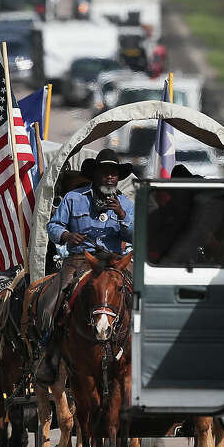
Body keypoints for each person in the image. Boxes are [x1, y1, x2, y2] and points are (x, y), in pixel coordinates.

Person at [35, 149, 135, 383]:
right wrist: (67, 235)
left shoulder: (127, 204)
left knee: (143, 296)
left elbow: (135, 235)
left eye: (114, 173)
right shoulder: (74, 198)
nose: (110, 177)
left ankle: (141, 355)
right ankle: (51, 356)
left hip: (114, 262)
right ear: (96, 174)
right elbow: (53, 227)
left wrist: (121, 215)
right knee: (52, 301)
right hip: (80, 260)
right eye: (105, 172)